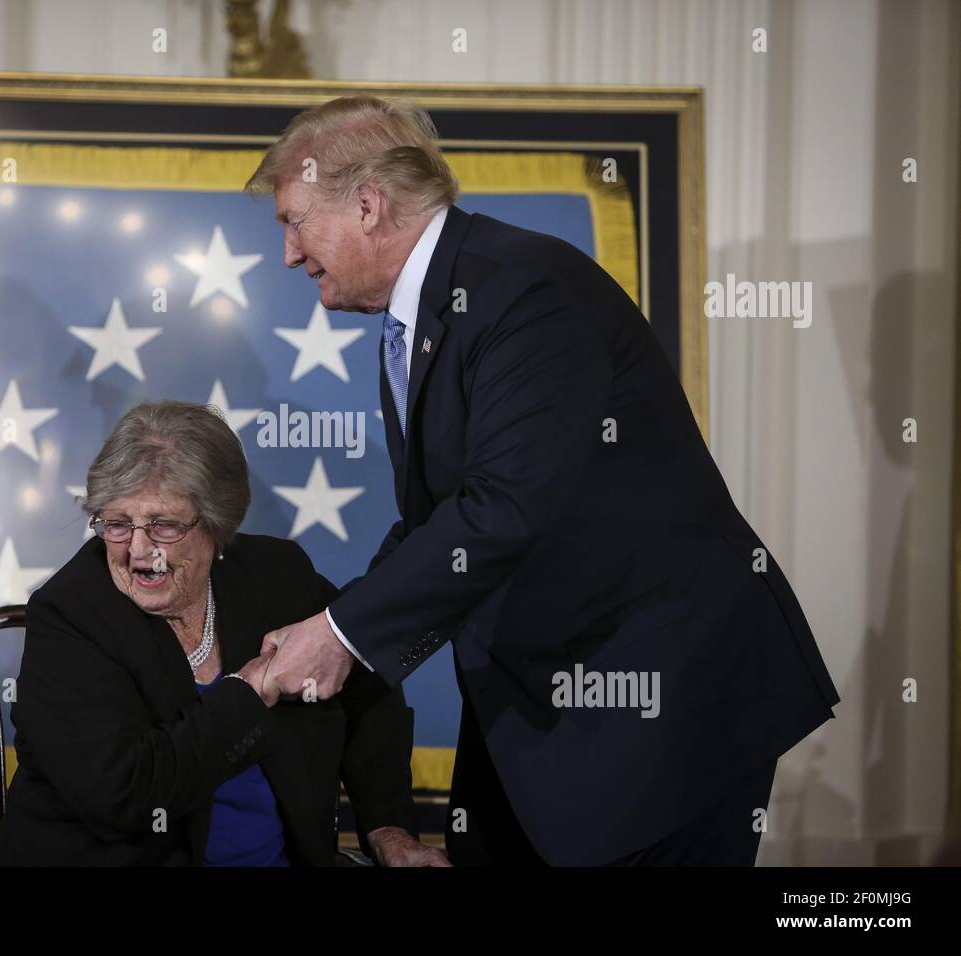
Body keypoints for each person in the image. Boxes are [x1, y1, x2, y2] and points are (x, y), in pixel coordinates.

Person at [244, 95, 841, 866]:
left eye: (294, 221)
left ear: (366, 205)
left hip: (656, 705)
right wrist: (334, 639)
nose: (290, 253)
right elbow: (445, 523)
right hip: (542, 703)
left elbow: (505, 509)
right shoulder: (429, 311)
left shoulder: (522, 289)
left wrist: (338, 636)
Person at [0, 399, 447, 866]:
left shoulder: (277, 577)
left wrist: (388, 829)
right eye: (118, 524)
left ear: (218, 523)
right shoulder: (70, 616)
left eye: (163, 525)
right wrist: (251, 690)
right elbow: (125, 796)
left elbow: (364, 687)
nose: (139, 551)